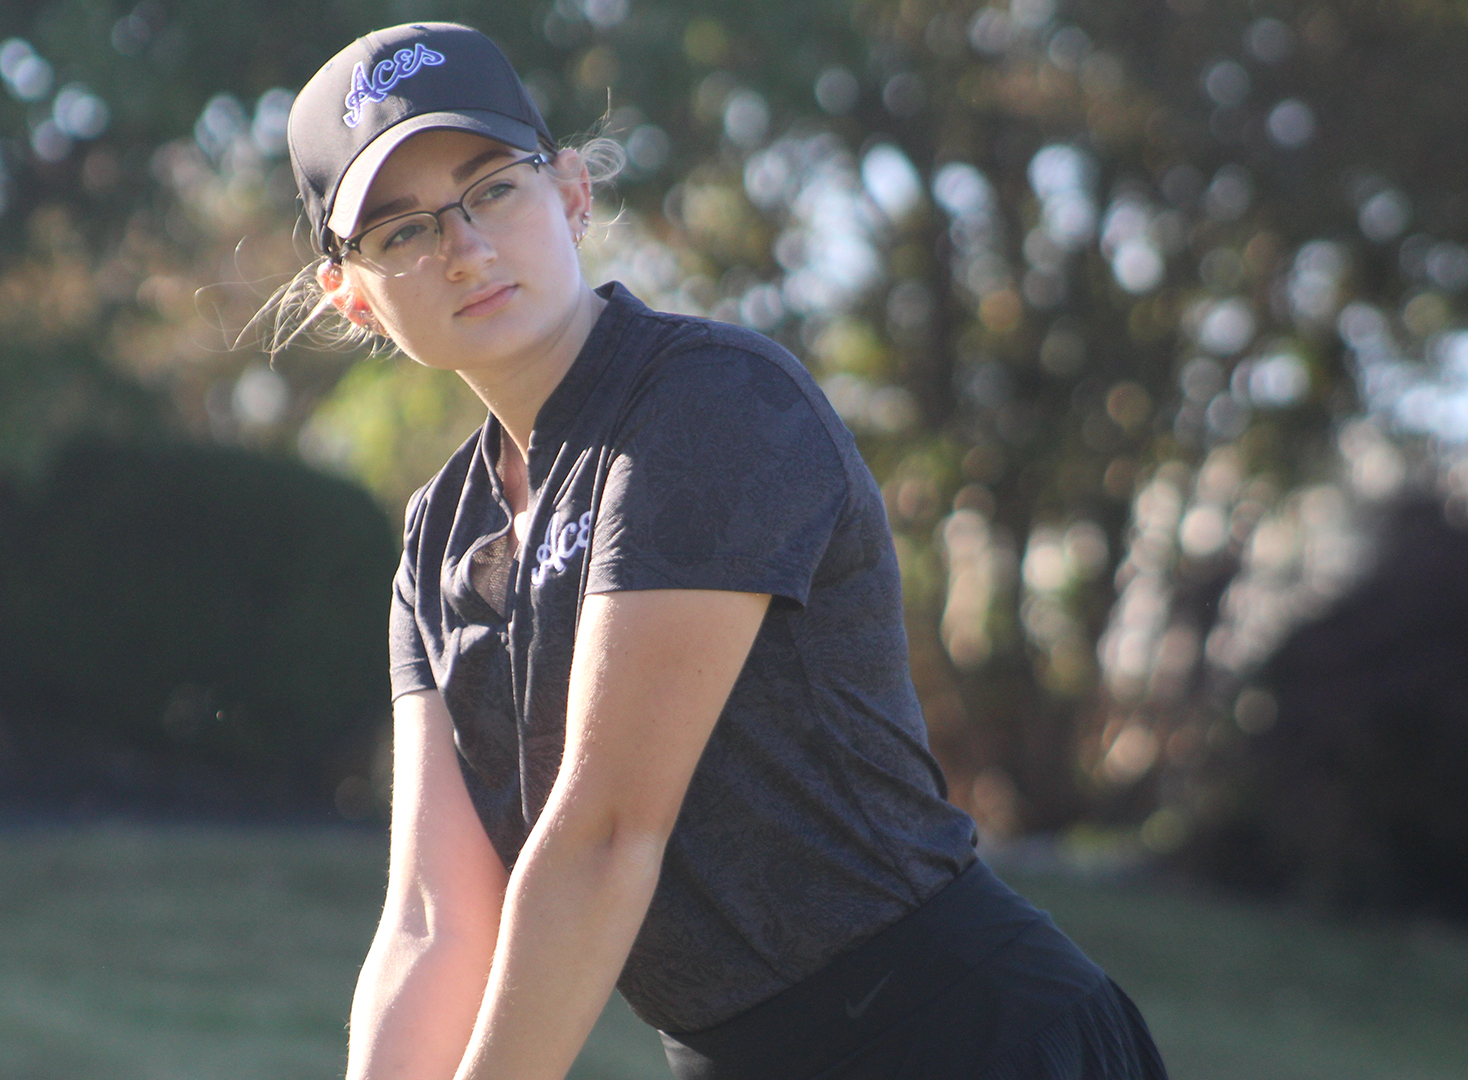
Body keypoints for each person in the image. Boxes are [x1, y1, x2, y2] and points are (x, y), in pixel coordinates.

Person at [273, 22, 1168, 1080]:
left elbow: (607, 840)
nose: (462, 248)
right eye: (402, 231)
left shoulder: (708, 407)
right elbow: (434, 919)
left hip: (966, 1040)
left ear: (569, 191)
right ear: (351, 291)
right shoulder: (439, 539)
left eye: (492, 190)